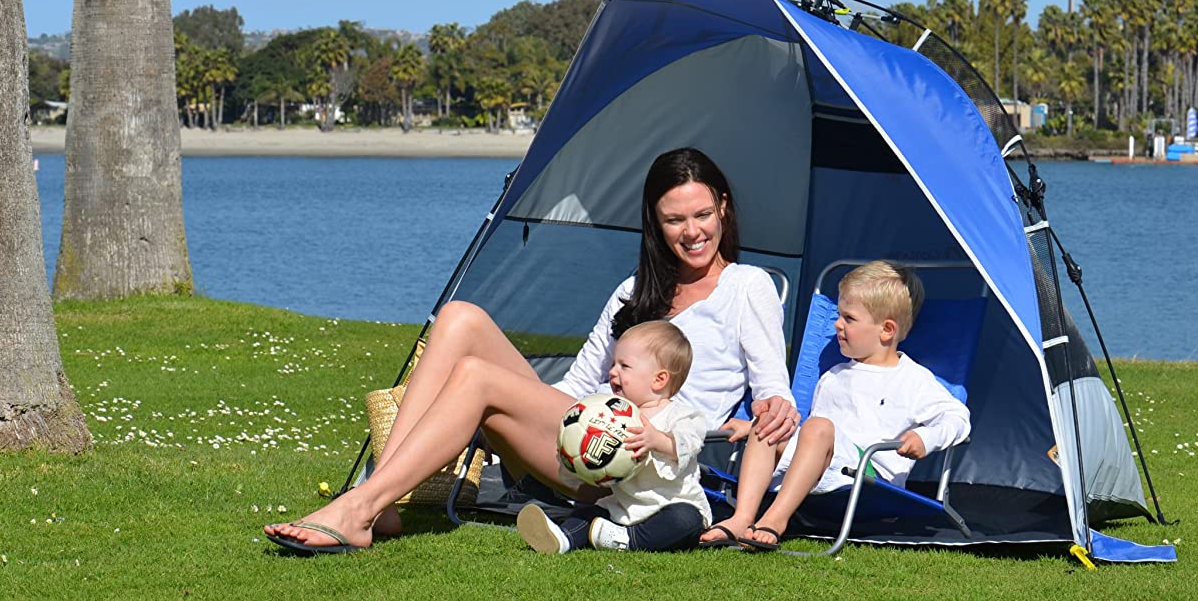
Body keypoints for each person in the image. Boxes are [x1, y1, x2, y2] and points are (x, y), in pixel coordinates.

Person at [265, 147, 798, 554]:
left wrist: (775, 405)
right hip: (576, 435)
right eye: (674, 220)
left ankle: (360, 505)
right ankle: (386, 500)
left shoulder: (747, 286)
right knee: (459, 319)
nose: (692, 232)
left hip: (633, 462)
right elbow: (577, 382)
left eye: (702, 214)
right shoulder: (635, 290)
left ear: (724, 210)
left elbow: (772, 386)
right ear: (655, 224)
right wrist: (531, 416)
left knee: (475, 376)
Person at [700, 261, 970, 552]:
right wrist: (754, 427)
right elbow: (809, 440)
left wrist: (926, 438)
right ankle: (743, 517)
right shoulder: (833, 376)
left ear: (887, 330)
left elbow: (958, 417)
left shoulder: (912, 380)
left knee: (817, 427)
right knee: (770, 420)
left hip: (867, 479)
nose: (836, 324)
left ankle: (776, 519)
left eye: (848, 318)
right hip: (818, 471)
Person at [517, 320, 709, 554]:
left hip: (669, 506)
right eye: (613, 364)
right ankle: (562, 538)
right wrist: (573, 452)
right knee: (589, 513)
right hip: (622, 507)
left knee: (685, 521)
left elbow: (688, 445)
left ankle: (629, 540)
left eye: (624, 366)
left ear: (659, 379)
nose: (612, 372)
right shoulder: (606, 413)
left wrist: (656, 440)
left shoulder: (682, 416)